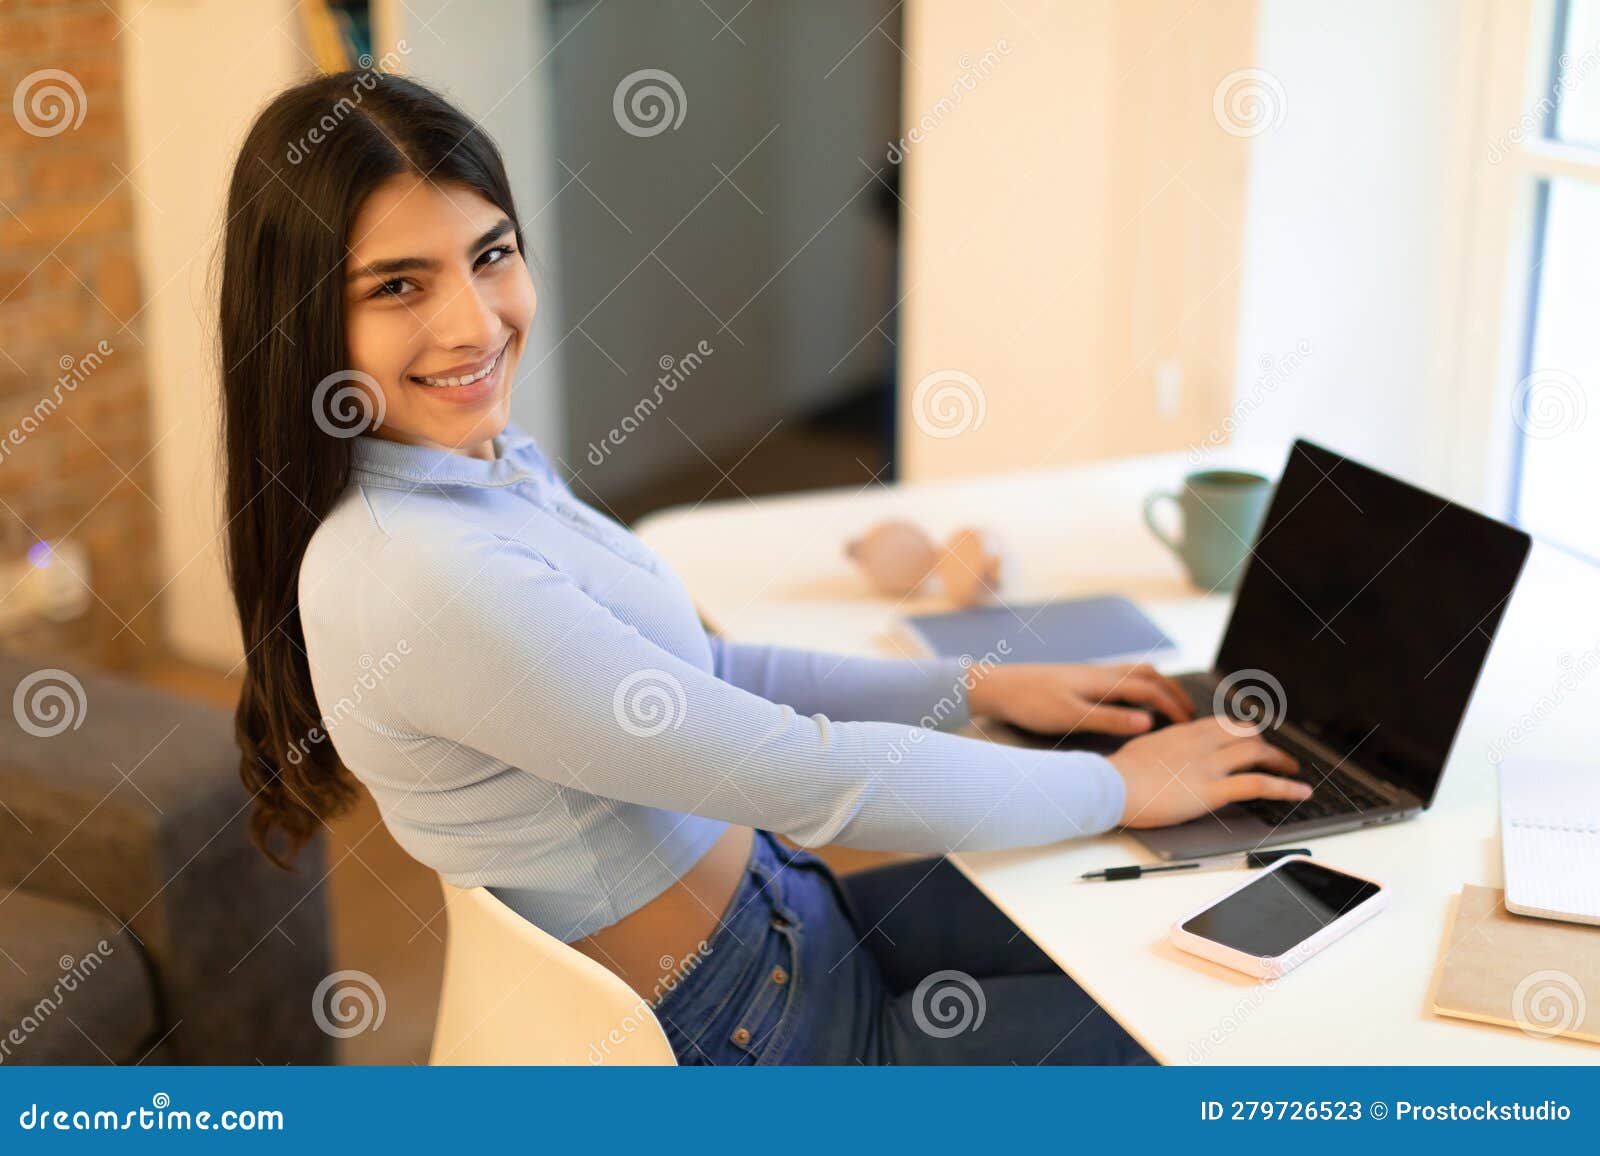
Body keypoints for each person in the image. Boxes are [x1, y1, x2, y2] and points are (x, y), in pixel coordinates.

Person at [219, 71, 1309, 1066]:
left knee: (1157, 930)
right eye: (399, 286)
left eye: (490, 254)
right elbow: (807, 776)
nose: (475, 321)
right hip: (767, 1031)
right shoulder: (422, 573)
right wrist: (1124, 781)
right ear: (304, 321)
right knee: (1225, 1047)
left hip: (791, 923)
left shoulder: (472, 469)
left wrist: (979, 687)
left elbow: (709, 669)